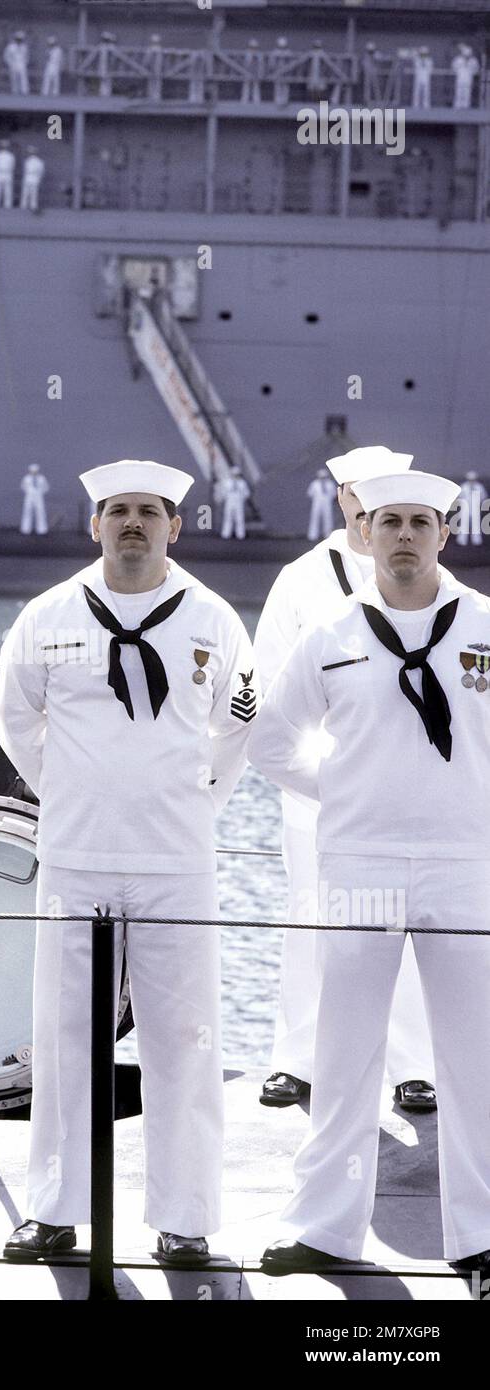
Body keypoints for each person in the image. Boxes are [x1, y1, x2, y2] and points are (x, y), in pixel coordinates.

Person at [0, 459, 257, 1266]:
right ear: (93, 524)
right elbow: (15, 724)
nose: (133, 523)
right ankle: (53, 1209)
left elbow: (236, 730)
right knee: (64, 1031)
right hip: (74, 855)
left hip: (176, 861)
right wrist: (76, 796)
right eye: (118, 511)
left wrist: (187, 804)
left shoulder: (213, 620)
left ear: (175, 527)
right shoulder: (45, 616)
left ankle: (184, 1218)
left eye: (150, 511)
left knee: (184, 1036)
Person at [251, 468, 490, 1280]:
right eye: (387, 522)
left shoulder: (484, 626)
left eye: (419, 523)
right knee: (344, 1053)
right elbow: (270, 742)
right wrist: (345, 796)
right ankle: (323, 1228)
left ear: (443, 534)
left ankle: (481, 1237)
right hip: (361, 865)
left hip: (464, 866)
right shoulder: (331, 633)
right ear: (364, 533)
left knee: (474, 1062)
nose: (402, 537)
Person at [253, 447, 435, 1113]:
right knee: (309, 919)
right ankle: (296, 1060)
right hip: (318, 787)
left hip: (409, 792)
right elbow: (269, 691)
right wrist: (318, 780)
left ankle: (413, 1067)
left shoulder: (429, 580)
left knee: (412, 928)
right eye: (358, 497)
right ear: (342, 502)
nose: (369, 510)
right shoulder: (301, 580)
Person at [455, 470, 486, 546]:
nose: (471, 481)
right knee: (464, 524)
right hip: (465, 508)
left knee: (476, 525)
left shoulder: (479, 487)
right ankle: (462, 541)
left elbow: (483, 497)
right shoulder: (464, 487)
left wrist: (479, 504)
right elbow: (459, 497)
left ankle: (476, 541)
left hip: (475, 508)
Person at [305, 468, 337, 541]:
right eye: (321, 477)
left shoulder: (330, 484)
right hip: (317, 503)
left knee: (328, 518)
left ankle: (328, 534)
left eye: (324, 476)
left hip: (327, 503)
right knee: (315, 518)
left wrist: (328, 498)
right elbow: (310, 493)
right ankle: (313, 535)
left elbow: (334, 494)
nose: (322, 478)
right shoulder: (314, 484)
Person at [219, 467, 250, 540]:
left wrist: (241, 498)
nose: (235, 476)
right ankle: (225, 534)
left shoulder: (242, 483)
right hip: (229, 502)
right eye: (234, 474)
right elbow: (223, 492)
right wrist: (226, 498)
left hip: (238, 503)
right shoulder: (227, 483)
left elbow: (246, 493)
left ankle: (240, 535)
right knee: (228, 518)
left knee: (240, 518)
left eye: (236, 474)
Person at [19, 464, 49, 535]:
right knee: (27, 512)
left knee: (40, 512)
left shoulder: (42, 478)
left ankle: (42, 529)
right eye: (32, 471)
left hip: (39, 497)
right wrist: (29, 492)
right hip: (29, 497)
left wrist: (40, 492)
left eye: (35, 471)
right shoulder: (26, 478)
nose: (34, 472)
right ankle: (25, 529)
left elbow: (46, 487)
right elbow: (23, 486)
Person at [452, 44, 479, 109]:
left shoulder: (473, 61)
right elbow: (454, 67)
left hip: (468, 79)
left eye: (468, 55)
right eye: (465, 55)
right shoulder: (458, 59)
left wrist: (471, 73)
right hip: (460, 78)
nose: (466, 56)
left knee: (467, 92)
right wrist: (458, 71)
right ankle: (457, 105)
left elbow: (476, 69)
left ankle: (466, 105)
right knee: (459, 92)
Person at [3, 31, 30, 96]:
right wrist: (10, 64)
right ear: (15, 39)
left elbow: (27, 56)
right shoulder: (11, 47)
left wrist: (25, 63)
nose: (19, 41)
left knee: (23, 79)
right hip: (13, 64)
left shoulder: (24, 47)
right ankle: (15, 92)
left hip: (22, 64)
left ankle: (24, 92)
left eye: (20, 39)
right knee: (14, 79)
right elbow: (6, 56)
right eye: (18, 39)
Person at [0, 140, 15, 209]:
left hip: (7, 173)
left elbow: (12, 166)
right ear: (0, 147)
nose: (3, 147)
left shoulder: (11, 155)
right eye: (2, 146)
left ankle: (8, 204)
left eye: (5, 146)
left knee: (8, 190)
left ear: (7, 147)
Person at [20, 147, 45, 211]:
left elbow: (40, 171)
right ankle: (31, 206)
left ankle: (25, 206)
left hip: (30, 177)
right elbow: (41, 172)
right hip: (32, 177)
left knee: (26, 193)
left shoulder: (28, 161)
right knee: (32, 193)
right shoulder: (38, 161)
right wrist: (39, 179)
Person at [270, 36, 292, 106]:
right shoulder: (274, 52)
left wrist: (288, 70)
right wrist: (273, 70)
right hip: (277, 72)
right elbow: (271, 63)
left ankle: (285, 101)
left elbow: (292, 63)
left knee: (285, 87)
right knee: (278, 87)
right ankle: (277, 101)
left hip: (286, 72)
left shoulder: (288, 52)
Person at [241, 38, 262, 103]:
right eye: (252, 47)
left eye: (254, 47)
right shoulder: (246, 53)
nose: (253, 49)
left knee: (256, 87)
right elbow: (244, 63)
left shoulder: (259, 54)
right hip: (247, 72)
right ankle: (244, 100)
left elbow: (261, 64)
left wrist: (260, 73)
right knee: (246, 87)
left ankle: (256, 101)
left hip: (256, 73)